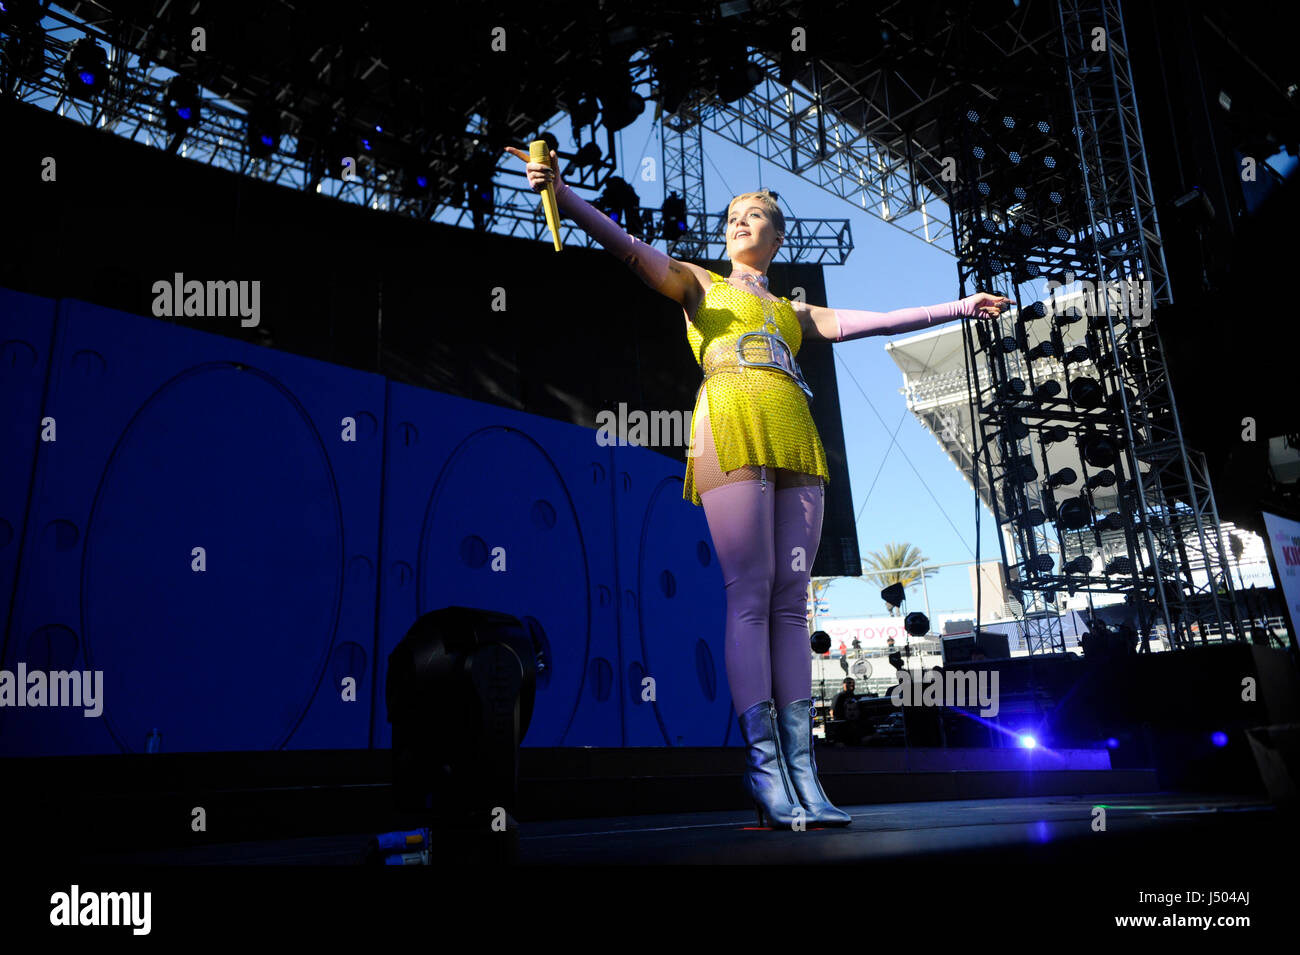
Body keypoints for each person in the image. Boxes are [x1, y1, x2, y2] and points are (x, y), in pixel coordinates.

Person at [505, 144, 1007, 830]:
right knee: (749, 591)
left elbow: (878, 322)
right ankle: (766, 768)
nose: (744, 221)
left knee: (791, 601)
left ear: (777, 234)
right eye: (736, 215)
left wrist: (959, 305)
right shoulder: (697, 282)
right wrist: (564, 198)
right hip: (730, 422)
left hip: (794, 430)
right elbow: (625, 248)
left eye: (759, 215)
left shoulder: (795, 314)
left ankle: (806, 773)